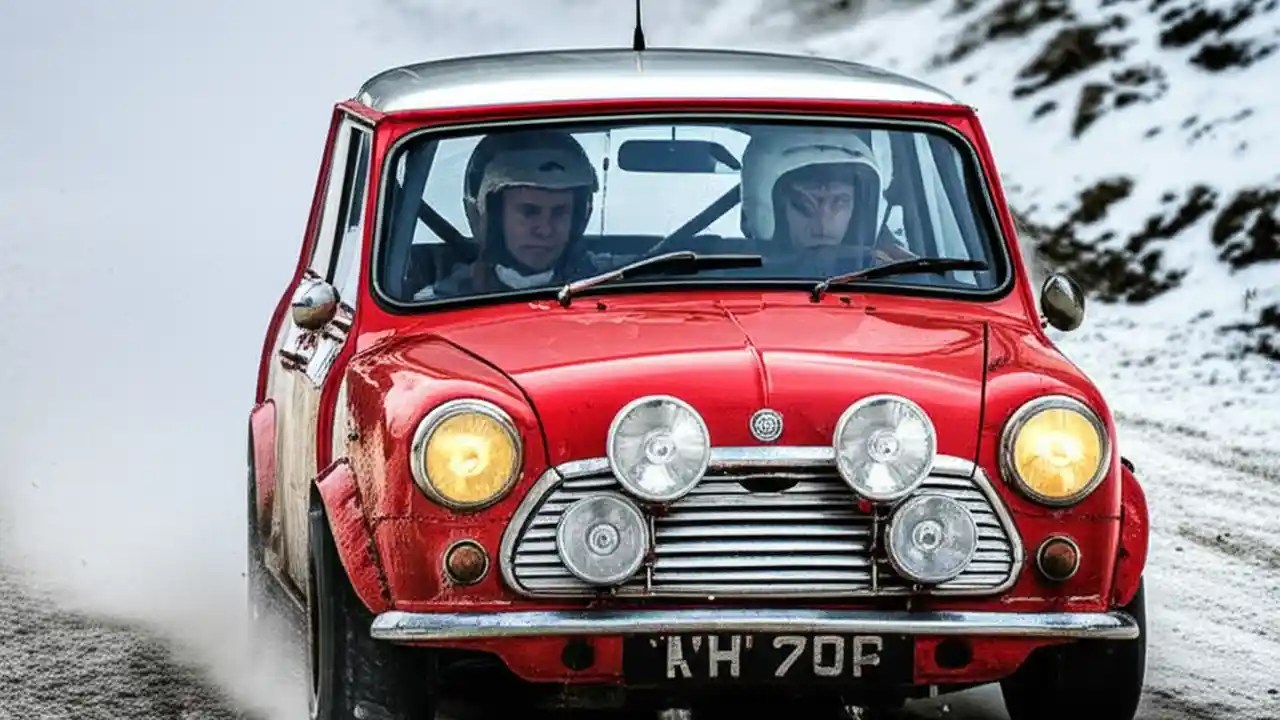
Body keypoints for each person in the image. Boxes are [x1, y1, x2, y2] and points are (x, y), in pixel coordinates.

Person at [415, 130, 603, 299]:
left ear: (578, 218)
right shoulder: (438, 305)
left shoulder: (615, 283)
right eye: (529, 212)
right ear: (492, 218)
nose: (545, 230)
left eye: (559, 212)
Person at [738, 129, 914, 276]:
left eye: (840, 203)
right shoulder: (729, 281)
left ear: (858, 208)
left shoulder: (893, 276)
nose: (822, 226)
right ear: (772, 208)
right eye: (804, 204)